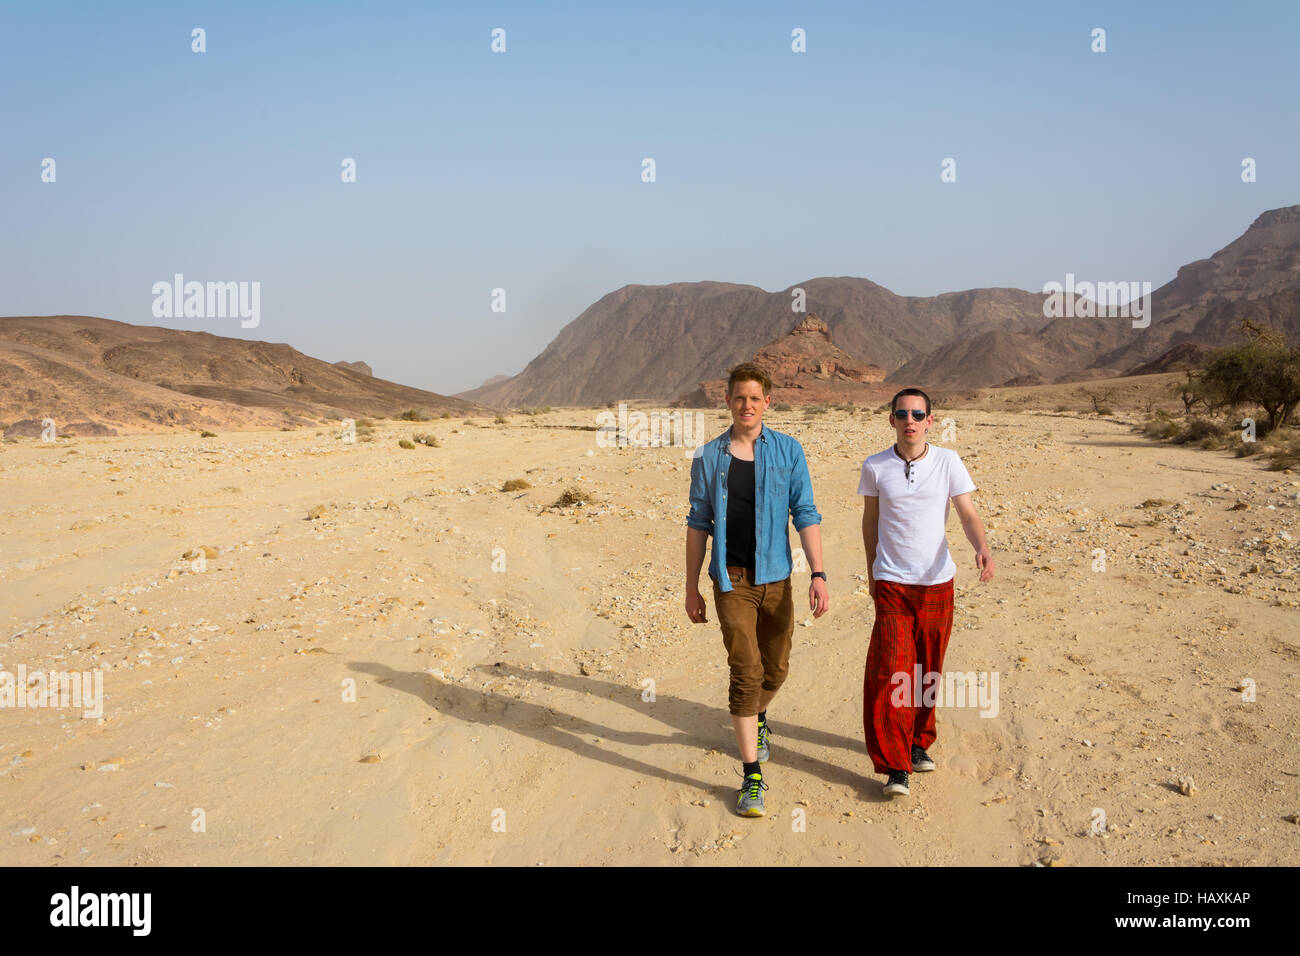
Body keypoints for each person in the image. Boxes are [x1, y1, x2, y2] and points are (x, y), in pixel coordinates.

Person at [685, 362, 828, 817]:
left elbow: (805, 512)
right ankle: (751, 778)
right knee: (745, 673)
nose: (746, 405)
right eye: (739, 397)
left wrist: (818, 574)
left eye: (755, 398)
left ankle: (758, 717)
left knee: (776, 669)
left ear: (768, 402)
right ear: (726, 401)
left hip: (777, 579)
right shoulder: (709, 457)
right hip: (731, 581)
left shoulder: (788, 451)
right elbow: (697, 523)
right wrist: (692, 588)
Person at [858, 388, 993, 798]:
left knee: (928, 670)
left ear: (930, 420)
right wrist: (872, 573)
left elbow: (967, 512)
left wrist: (981, 547)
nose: (910, 420)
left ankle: (919, 743)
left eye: (918, 414)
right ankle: (896, 765)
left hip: (937, 583)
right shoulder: (876, 466)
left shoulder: (948, 461)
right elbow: (870, 523)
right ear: (892, 420)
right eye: (902, 414)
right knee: (894, 671)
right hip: (893, 584)